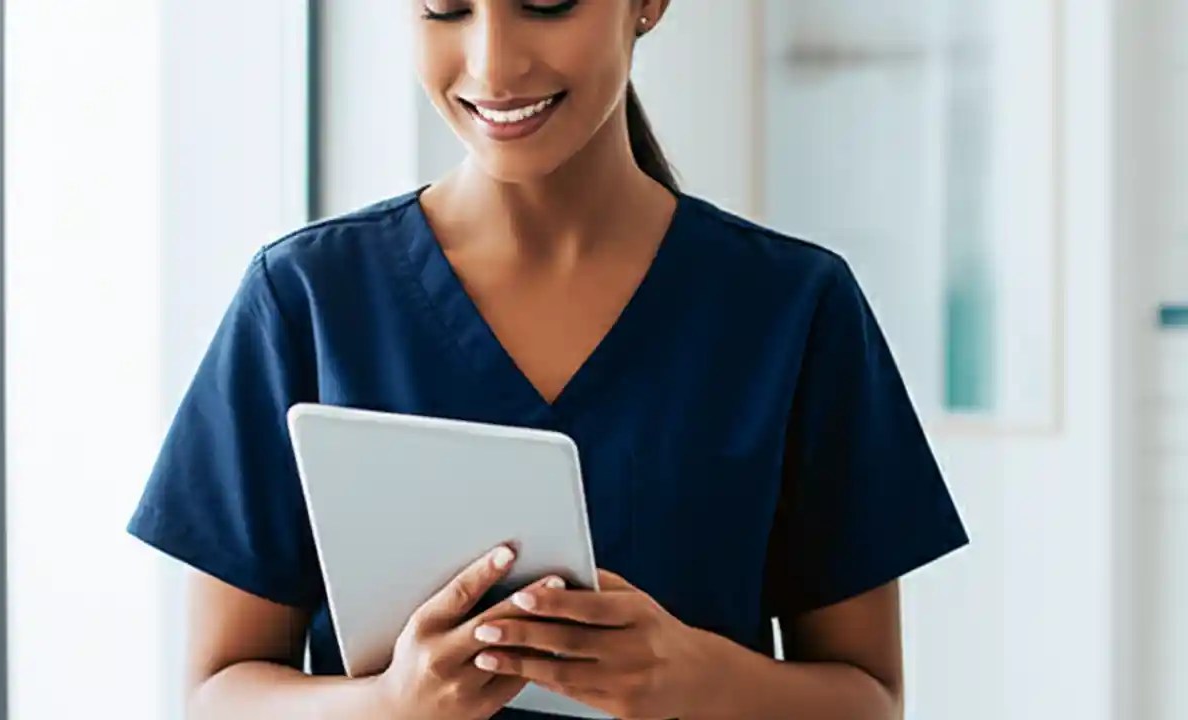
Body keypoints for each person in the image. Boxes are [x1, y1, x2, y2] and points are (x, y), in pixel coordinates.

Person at [127, 1, 969, 718]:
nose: (493, 63)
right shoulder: (304, 300)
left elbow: (868, 699)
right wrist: (391, 704)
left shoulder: (794, 308)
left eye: (548, 1)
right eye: (445, 7)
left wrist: (690, 677)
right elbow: (219, 694)